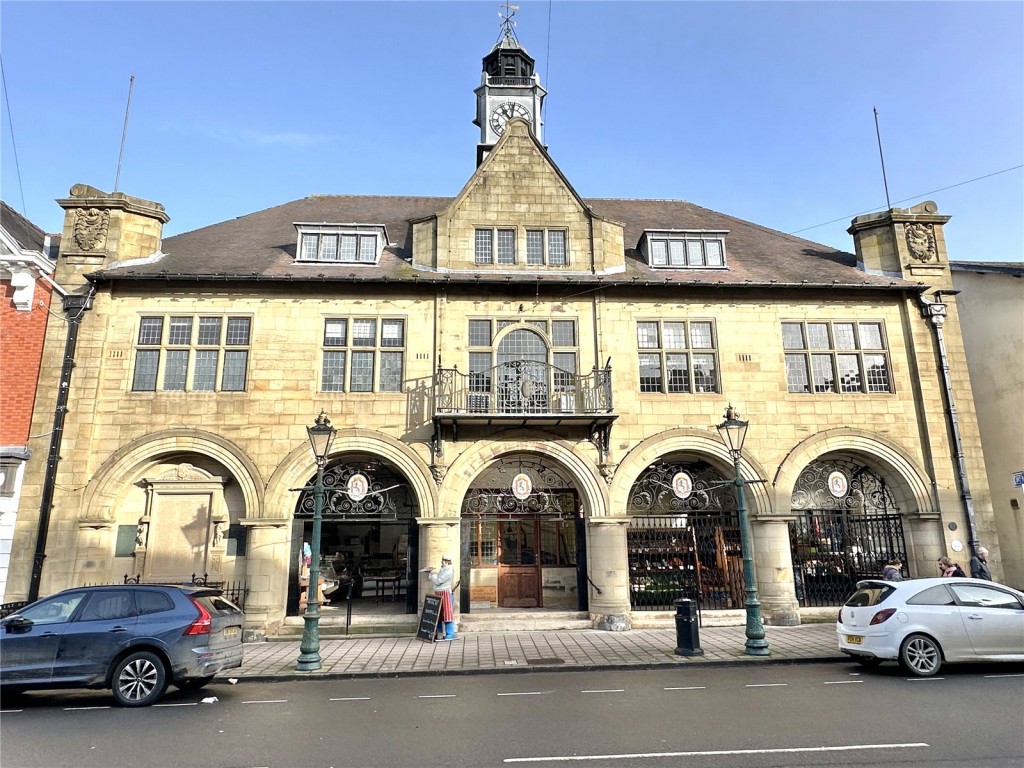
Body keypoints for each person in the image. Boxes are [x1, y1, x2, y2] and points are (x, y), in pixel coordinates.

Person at [425, 554, 458, 641]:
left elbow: (439, 580)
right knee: (438, 614)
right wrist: (431, 574)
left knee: (447, 613)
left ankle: (449, 634)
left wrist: (432, 575)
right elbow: (437, 579)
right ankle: (439, 633)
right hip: (439, 593)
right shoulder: (443, 569)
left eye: (443, 560)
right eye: (442, 560)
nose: (442, 562)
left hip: (445, 593)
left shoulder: (449, 570)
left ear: (447, 562)